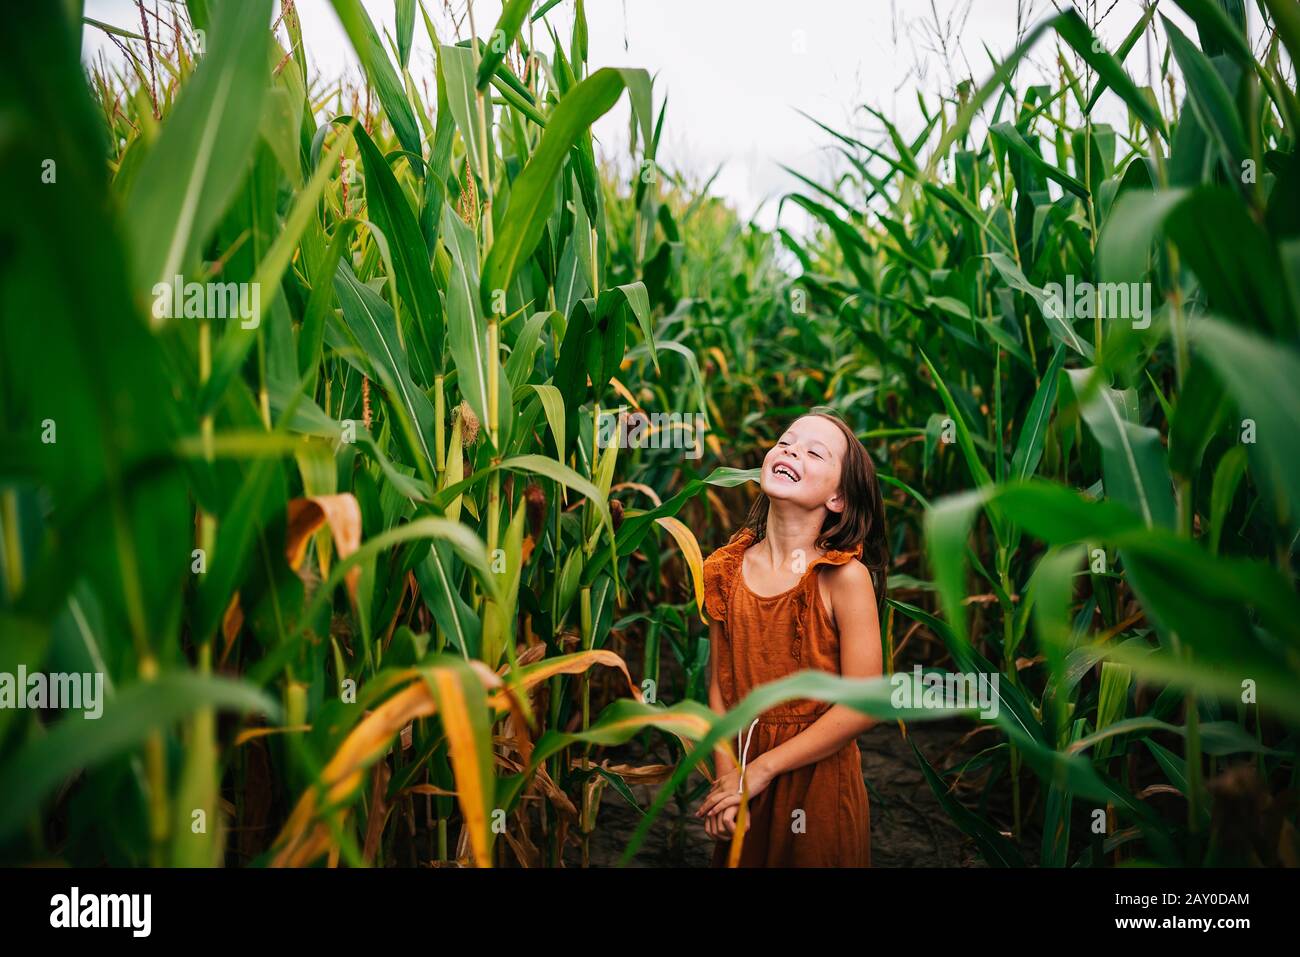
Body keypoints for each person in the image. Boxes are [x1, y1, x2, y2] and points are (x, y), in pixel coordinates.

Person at [695, 409, 888, 866]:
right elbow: (721, 692)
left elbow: (864, 703)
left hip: (817, 780)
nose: (792, 450)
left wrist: (762, 770)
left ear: (839, 497)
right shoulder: (724, 569)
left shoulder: (843, 579)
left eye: (814, 451)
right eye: (786, 441)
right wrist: (729, 783)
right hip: (743, 769)